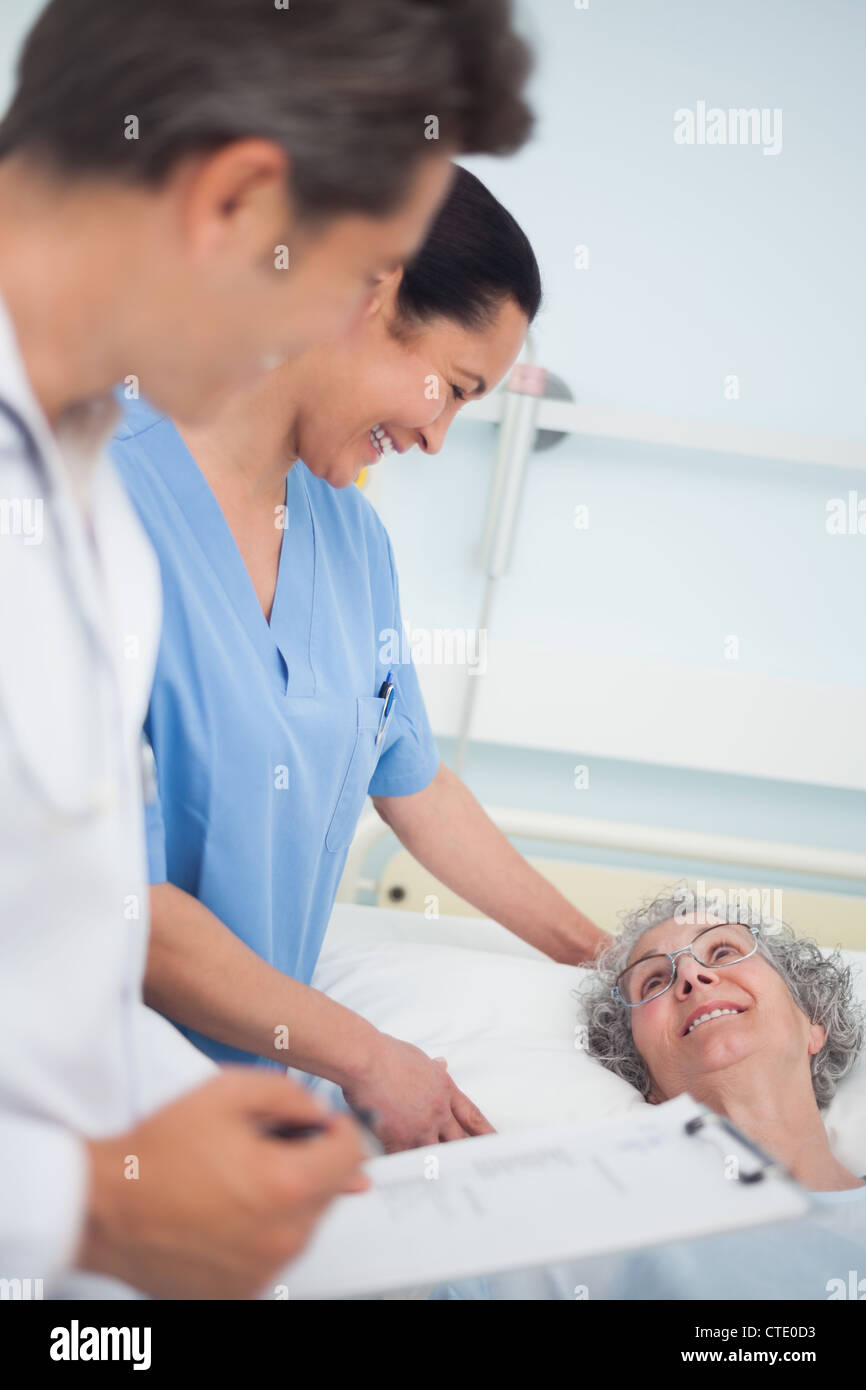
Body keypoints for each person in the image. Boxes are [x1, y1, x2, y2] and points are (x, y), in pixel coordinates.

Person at [0, 0, 533, 1298]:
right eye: (362, 272)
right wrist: (83, 1203)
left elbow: (63, 954)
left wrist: (235, 1152)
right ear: (239, 203)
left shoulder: (80, 521)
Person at [111, 168, 611, 1155]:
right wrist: (367, 1056)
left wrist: (604, 956)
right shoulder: (86, 500)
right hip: (87, 1101)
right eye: (451, 388)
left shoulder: (350, 541)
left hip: (260, 1095)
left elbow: (412, 781)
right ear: (368, 290)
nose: (434, 438)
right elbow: (115, 898)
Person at [433, 886, 866, 1299]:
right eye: (654, 982)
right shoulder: (582, 1229)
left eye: (723, 951)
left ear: (812, 1020)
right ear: (648, 1083)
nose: (692, 974)